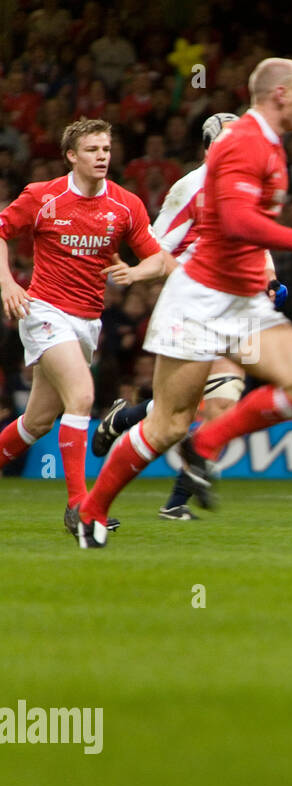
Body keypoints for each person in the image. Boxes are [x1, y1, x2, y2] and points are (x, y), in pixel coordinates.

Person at [72, 58, 292, 548]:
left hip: (244, 300)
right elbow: (235, 222)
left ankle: (205, 443)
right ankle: (93, 510)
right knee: (167, 425)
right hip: (200, 300)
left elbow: (249, 230)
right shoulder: (244, 143)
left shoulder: (270, 143)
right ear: (279, 94)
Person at [90, 112, 290, 521]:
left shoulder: (250, 187)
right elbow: (157, 248)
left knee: (220, 405)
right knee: (176, 414)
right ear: (209, 146)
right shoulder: (190, 187)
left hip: (237, 307)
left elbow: (258, 246)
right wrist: (141, 274)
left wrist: (270, 281)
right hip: (194, 307)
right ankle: (123, 436)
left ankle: (174, 499)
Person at [0, 117, 164, 533]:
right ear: (71, 155)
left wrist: (136, 273)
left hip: (87, 321)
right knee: (82, 396)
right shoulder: (43, 196)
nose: (102, 156)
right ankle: (81, 509)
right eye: (92, 150)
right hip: (44, 311)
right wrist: (8, 283)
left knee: (37, 422)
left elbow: (160, 260)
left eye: (106, 149)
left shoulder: (125, 205)